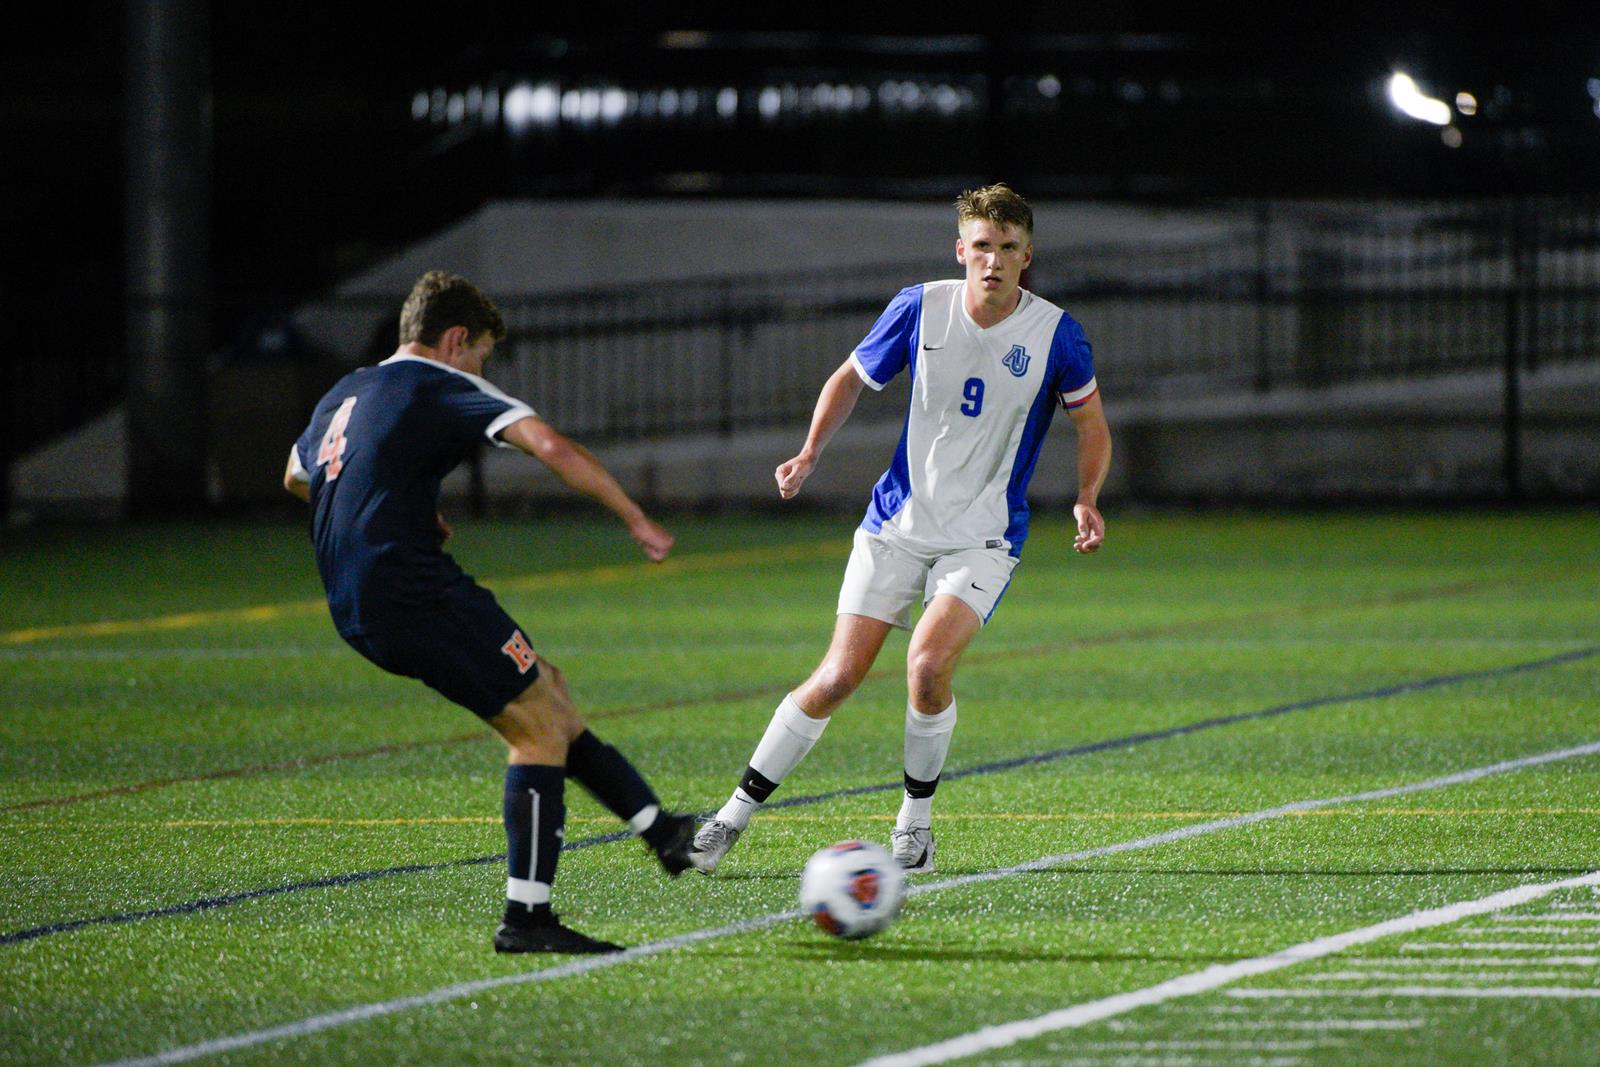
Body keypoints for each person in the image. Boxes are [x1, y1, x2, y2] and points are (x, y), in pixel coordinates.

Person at [691, 184, 1112, 876]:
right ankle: (729, 818)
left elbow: (1091, 422)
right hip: (896, 524)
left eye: (1009, 248)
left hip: (982, 538)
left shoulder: (1055, 333)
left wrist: (1087, 496)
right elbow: (850, 378)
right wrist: (810, 451)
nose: (994, 261)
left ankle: (913, 826)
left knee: (926, 666)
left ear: (1027, 255)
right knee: (834, 678)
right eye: (982, 246)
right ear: (961, 250)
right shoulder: (920, 307)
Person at [284, 270, 694, 954]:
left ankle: (664, 832)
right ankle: (528, 918)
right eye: (482, 354)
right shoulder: (442, 382)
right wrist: (636, 517)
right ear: (455, 340)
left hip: (354, 597)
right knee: (535, 727)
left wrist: (392, 507)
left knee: (545, 686)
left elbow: (297, 477)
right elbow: (552, 447)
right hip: (410, 588)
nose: (482, 368)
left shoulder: (345, 390)